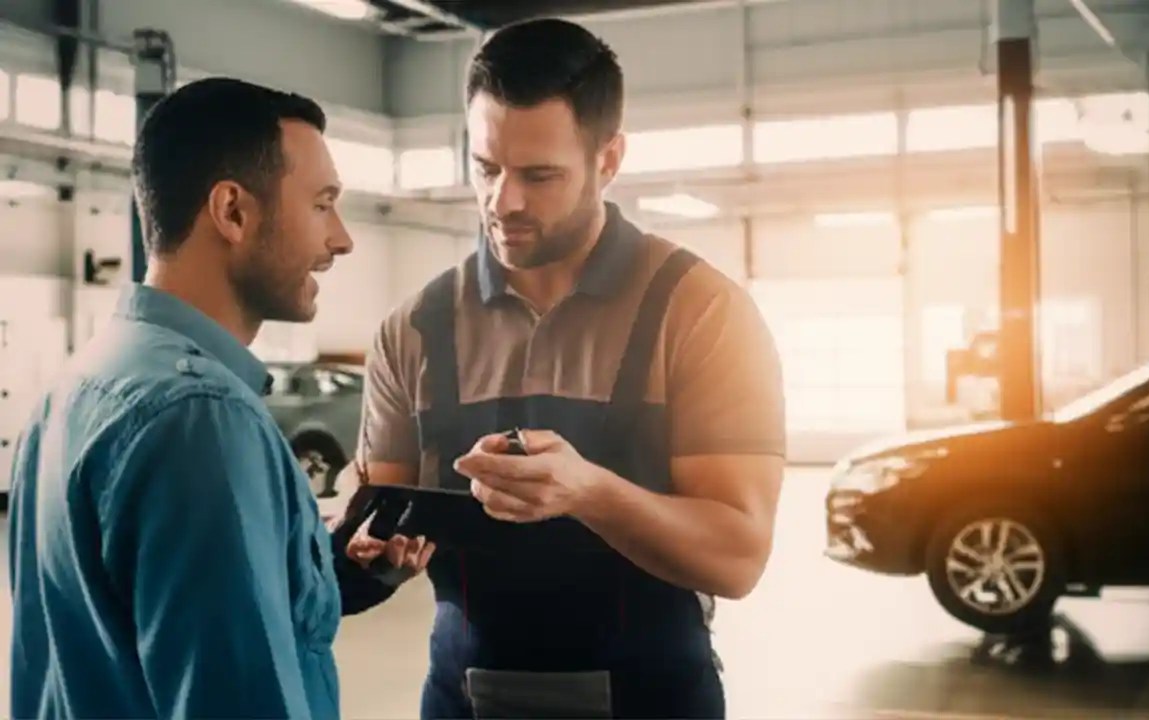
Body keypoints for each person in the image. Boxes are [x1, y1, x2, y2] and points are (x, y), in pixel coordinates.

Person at [342, 17, 786, 719]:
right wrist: (365, 545)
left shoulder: (701, 312)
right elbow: (373, 535)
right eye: (486, 168)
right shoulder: (414, 330)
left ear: (609, 160)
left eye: (539, 175)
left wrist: (589, 493)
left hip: (656, 702)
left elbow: (737, 558)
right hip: (461, 700)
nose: (503, 201)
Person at [7, 77, 430, 720]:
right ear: (232, 211)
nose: (341, 239)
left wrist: (327, 572)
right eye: (322, 205)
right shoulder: (203, 418)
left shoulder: (78, 385)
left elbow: (119, 630)